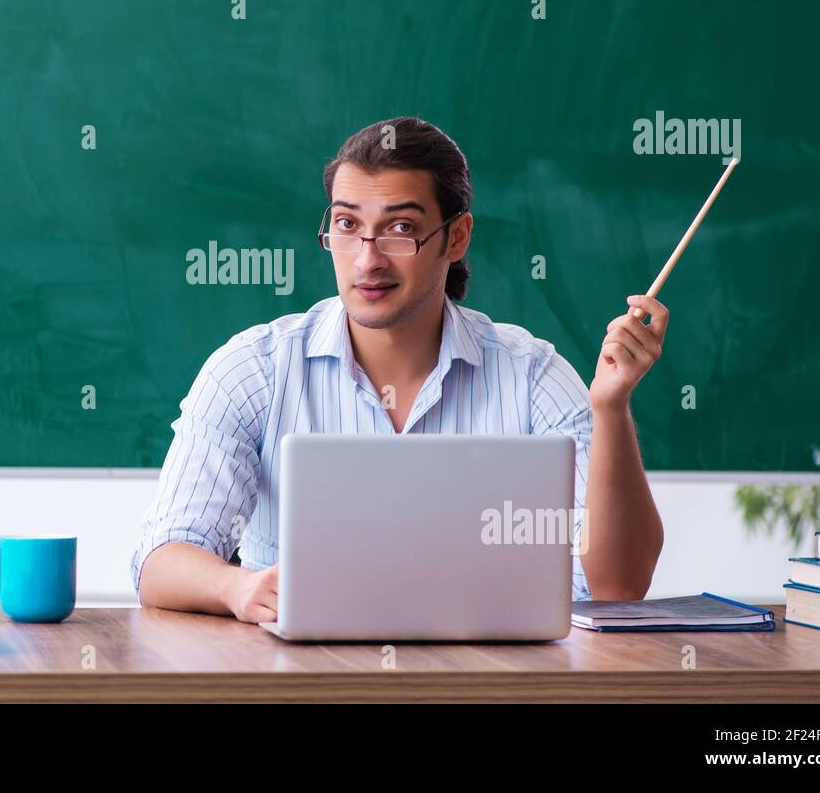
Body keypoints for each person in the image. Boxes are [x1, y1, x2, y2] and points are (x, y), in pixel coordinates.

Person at [131, 115, 666, 623]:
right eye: (346, 224)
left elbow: (617, 587)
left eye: (400, 228)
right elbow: (161, 561)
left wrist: (611, 408)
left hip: (490, 684)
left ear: (456, 238)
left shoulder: (533, 379)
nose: (367, 259)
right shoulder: (253, 371)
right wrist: (239, 587)